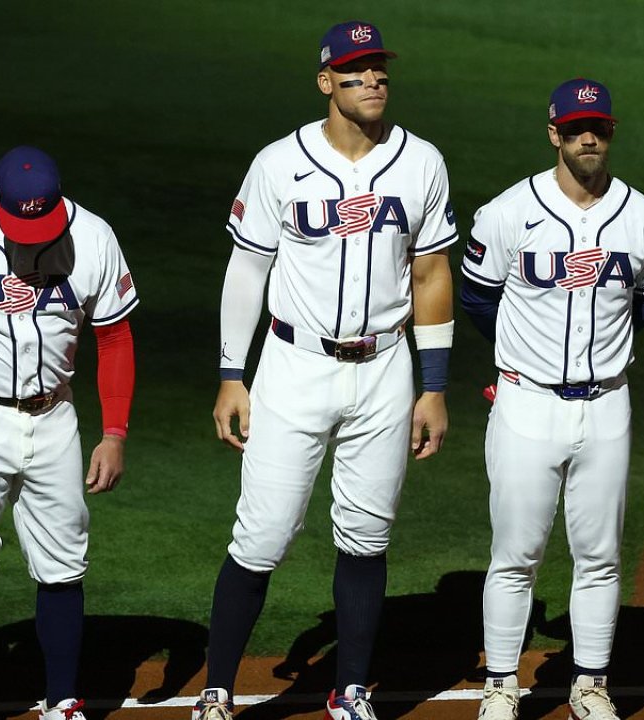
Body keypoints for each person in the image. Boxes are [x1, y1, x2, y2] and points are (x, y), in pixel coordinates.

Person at [193, 20, 458, 720]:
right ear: (325, 82)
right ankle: (217, 691)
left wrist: (433, 386)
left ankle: (351, 690)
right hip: (293, 365)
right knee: (264, 533)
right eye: (355, 70)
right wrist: (231, 373)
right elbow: (247, 269)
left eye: (379, 69)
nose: (372, 80)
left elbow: (431, 272)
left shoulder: (421, 162)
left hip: (384, 368)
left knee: (367, 535)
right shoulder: (280, 162)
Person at [460, 79, 644, 720]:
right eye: (578, 127)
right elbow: (478, 297)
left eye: (601, 127)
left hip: (608, 406)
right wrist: (519, 360)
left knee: (601, 556)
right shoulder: (507, 212)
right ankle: (501, 684)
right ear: (554, 133)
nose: (590, 137)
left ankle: (590, 684)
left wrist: (598, 357)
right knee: (515, 555)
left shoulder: (643, 218)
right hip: (526, 405)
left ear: (611, 134)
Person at [0, 146, 138, 720]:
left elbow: (114, 337)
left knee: (64, 561)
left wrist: (113, 432)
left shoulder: (92, 236)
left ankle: (63, 698)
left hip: (53, 417)